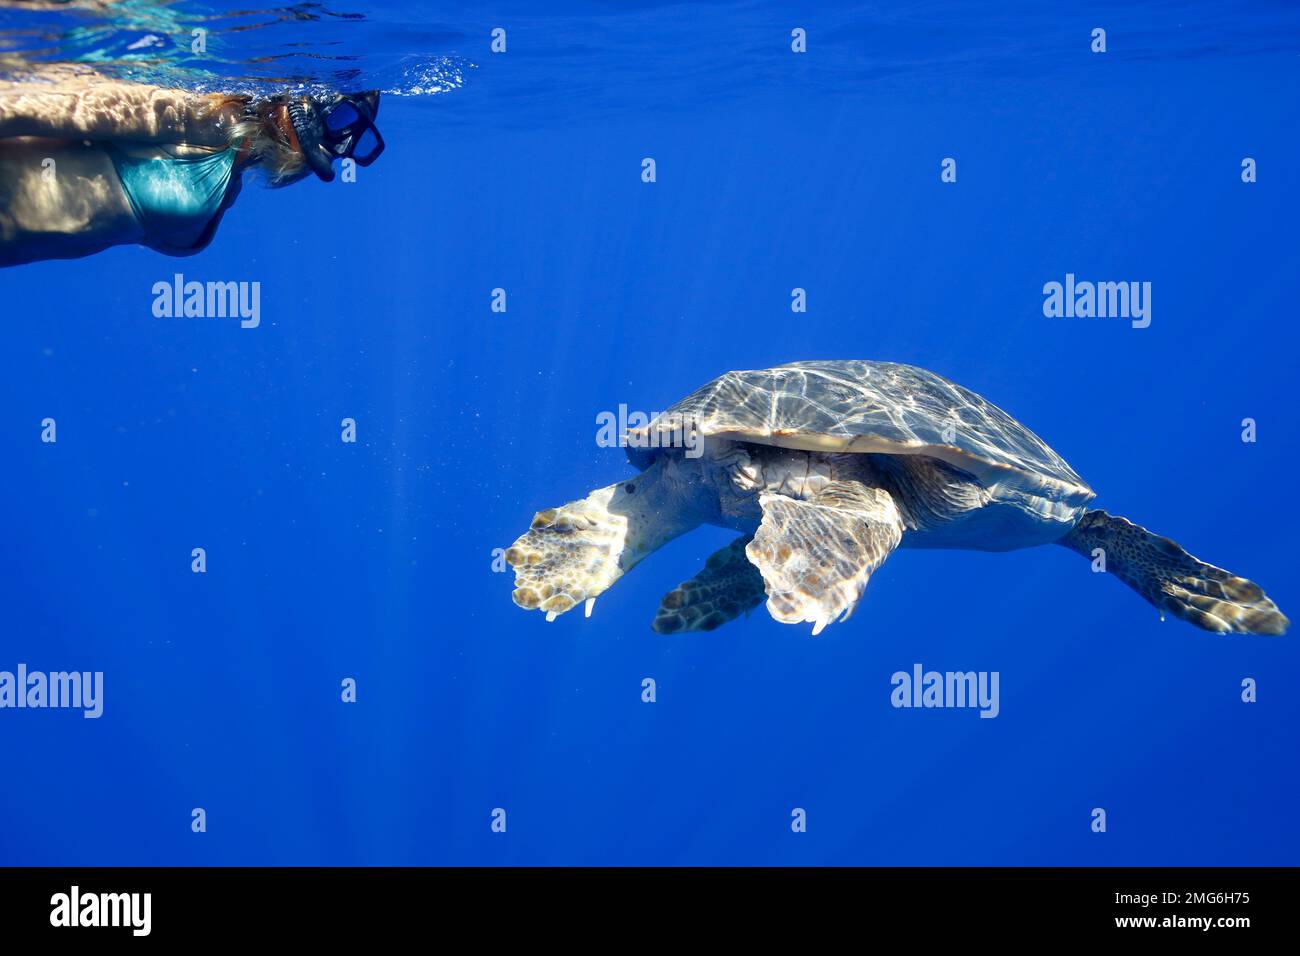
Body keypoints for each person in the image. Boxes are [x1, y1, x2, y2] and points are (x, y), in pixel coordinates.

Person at [0, 69, 384, 266]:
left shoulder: (229, 181)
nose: (338, 147)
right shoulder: (208, 116)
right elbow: (43, 110)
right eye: (340, 119)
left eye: (350, 140)